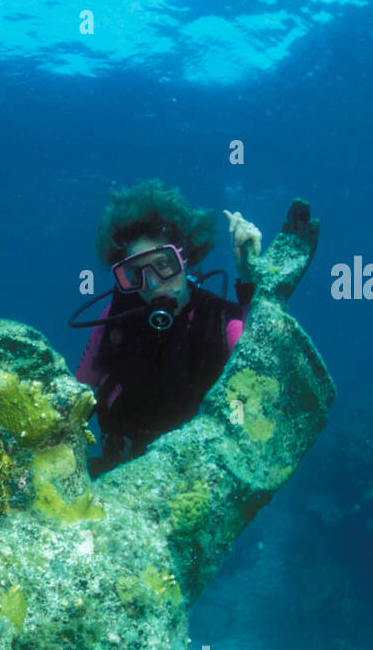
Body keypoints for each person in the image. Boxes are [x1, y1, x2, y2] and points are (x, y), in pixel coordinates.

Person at [73, 179, 262, 475]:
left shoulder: (218, 320)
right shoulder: (115, 319)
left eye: (164, 265)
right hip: (119, 471)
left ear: (184, 259)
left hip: (198, 476)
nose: (152, 284)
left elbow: (261, 362)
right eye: (136, 274)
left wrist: (250, 277)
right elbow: (77, 394)